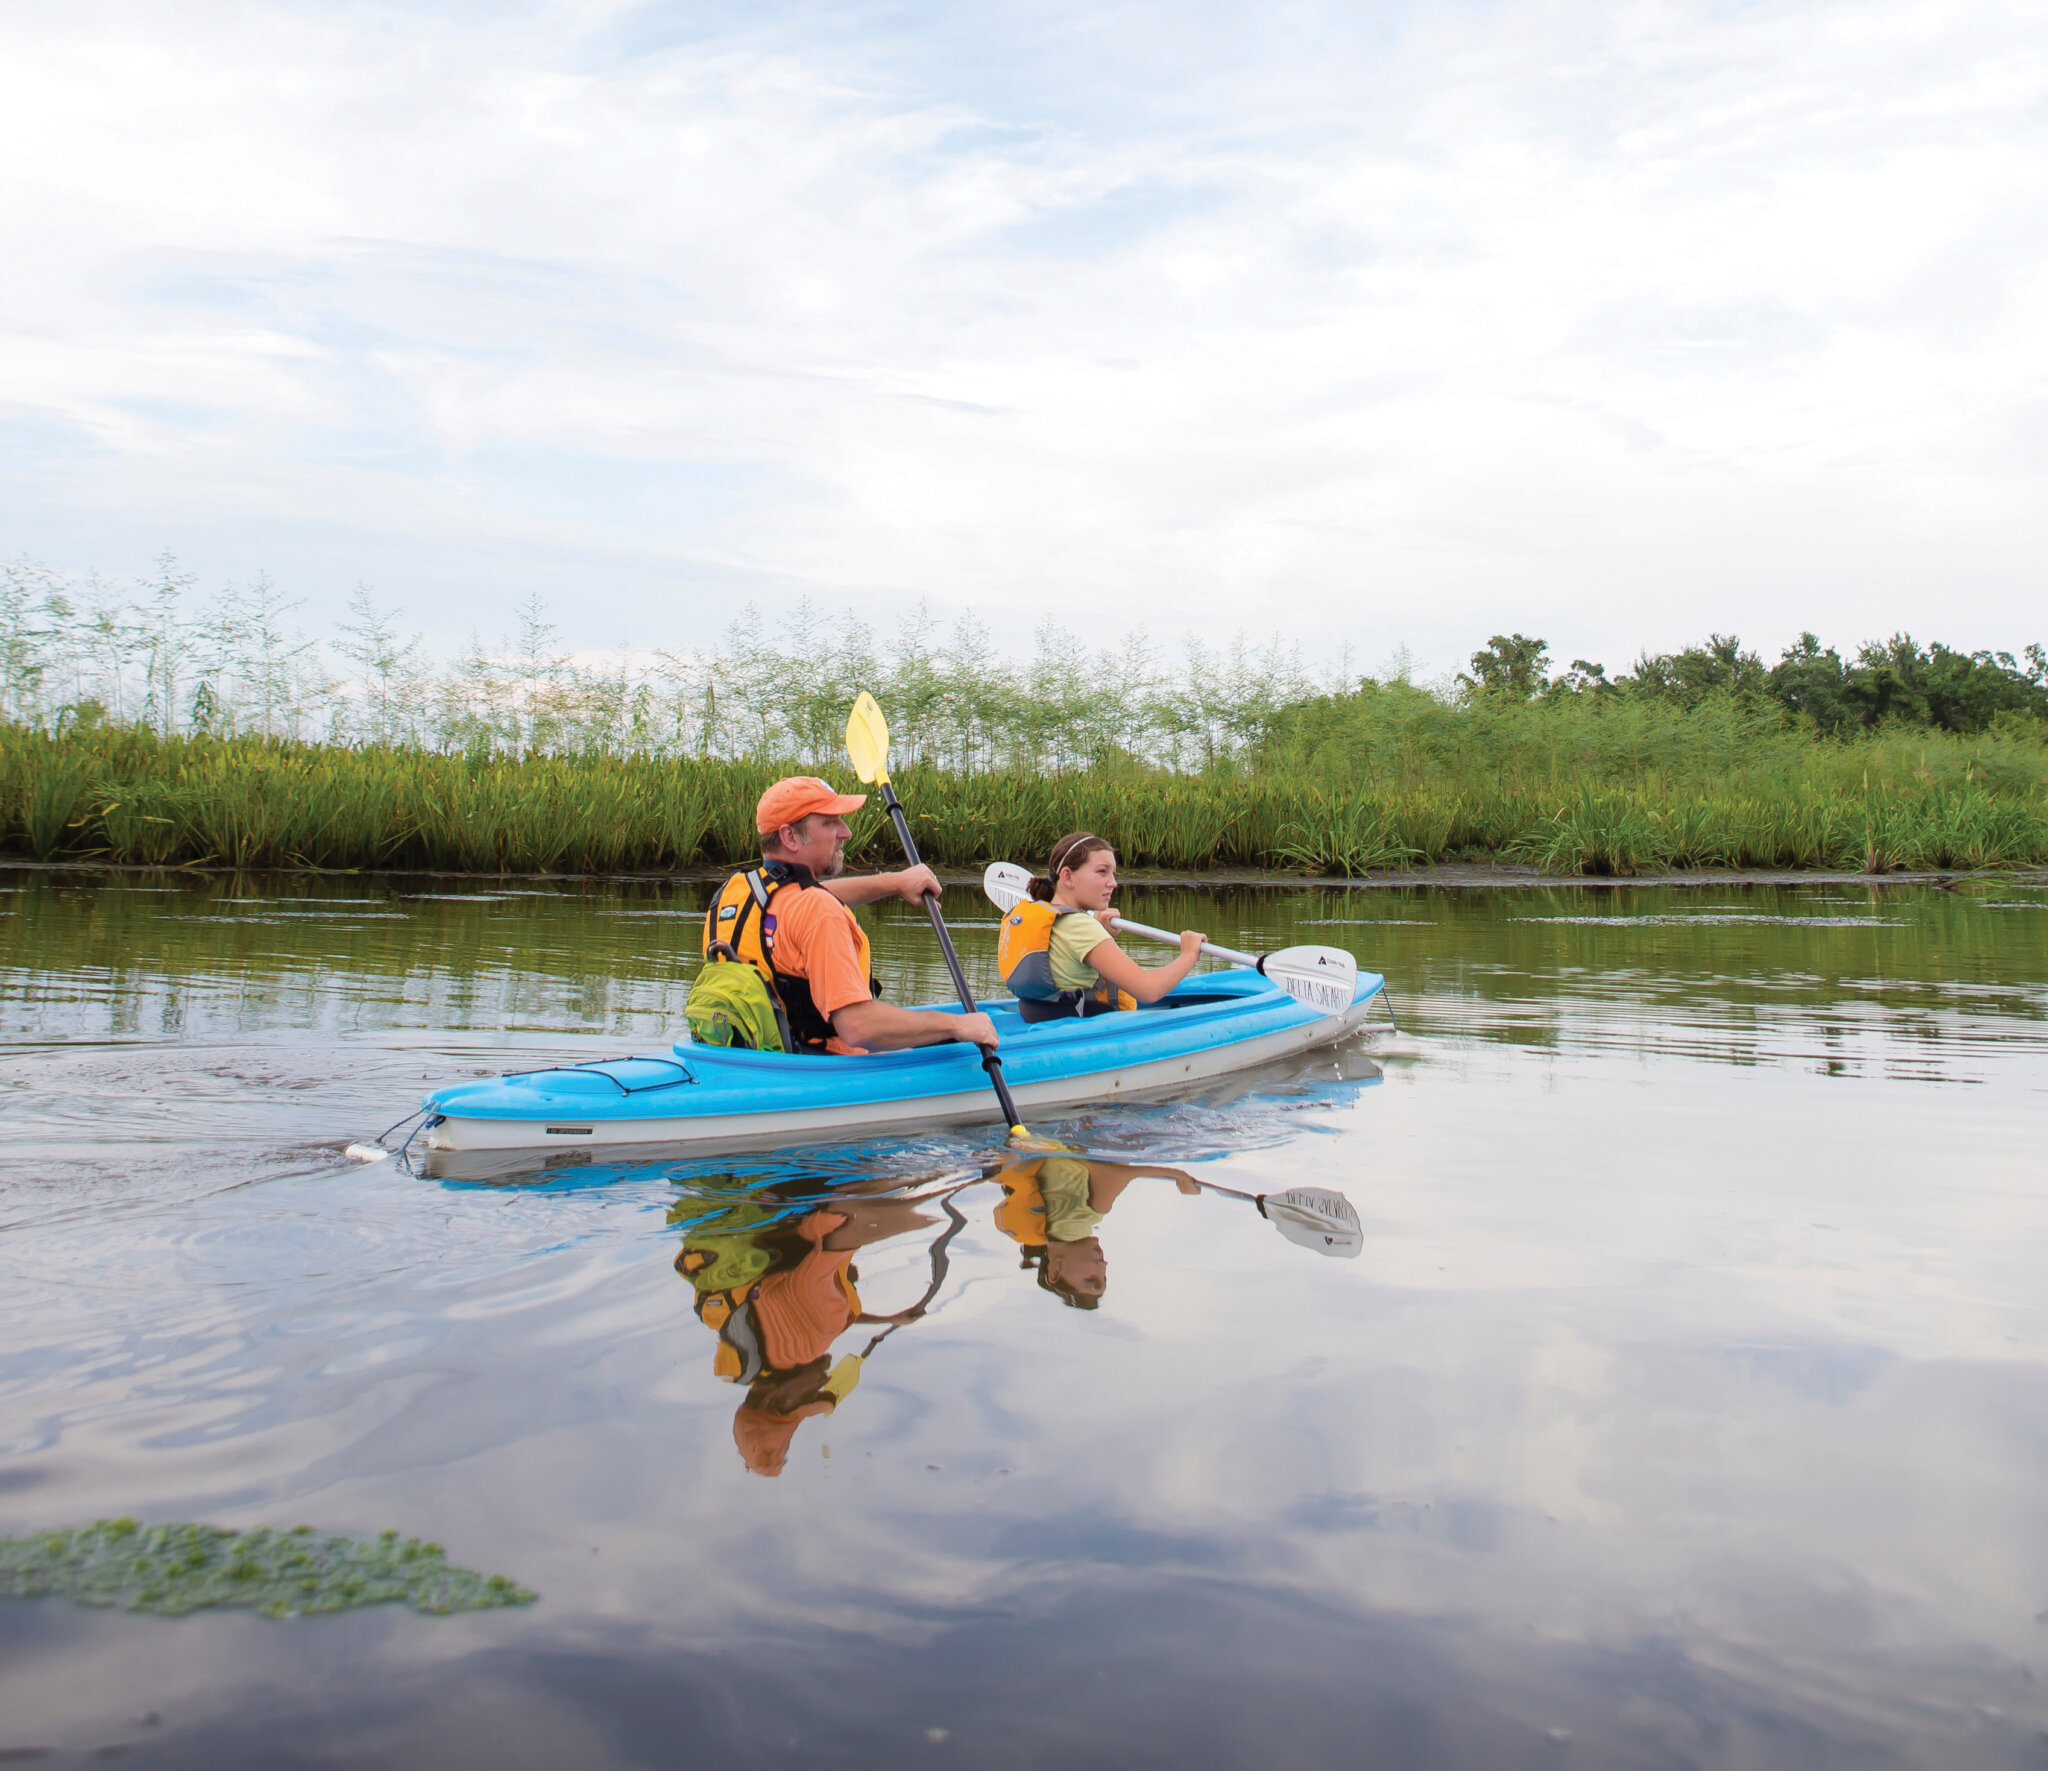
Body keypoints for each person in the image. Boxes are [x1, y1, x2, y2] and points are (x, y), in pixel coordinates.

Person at [700, 776, 998, 1056]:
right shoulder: (817, 911)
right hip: (828, 1068)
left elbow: (812, 897)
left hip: (749, 1056)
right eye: (830, 823)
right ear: (790, 836)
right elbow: (858, 1027)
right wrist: (958, 1025)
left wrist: (895, 882)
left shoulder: (732, 895)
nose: (846, 832)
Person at [995, 831, 1209, 1024]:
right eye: (1102, 872)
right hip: (1079, 1038)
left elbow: (1068, 953)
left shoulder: (1048, 917)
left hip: (1043, 1025)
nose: (1113, 882)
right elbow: (1148, 990)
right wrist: (1188, 955)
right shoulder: (1080, 927)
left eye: (1113, 873)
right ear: (1068, 876)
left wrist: (1098, 928)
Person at [990, 1155, 1202, 1310]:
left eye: (1091, 1278)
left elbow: (1120, 1174)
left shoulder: (1086, 1215)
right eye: (1104, 1275)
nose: (1103, 1265)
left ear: (1055, 1271)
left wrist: (1179, 1176)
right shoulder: (1046, 1222)